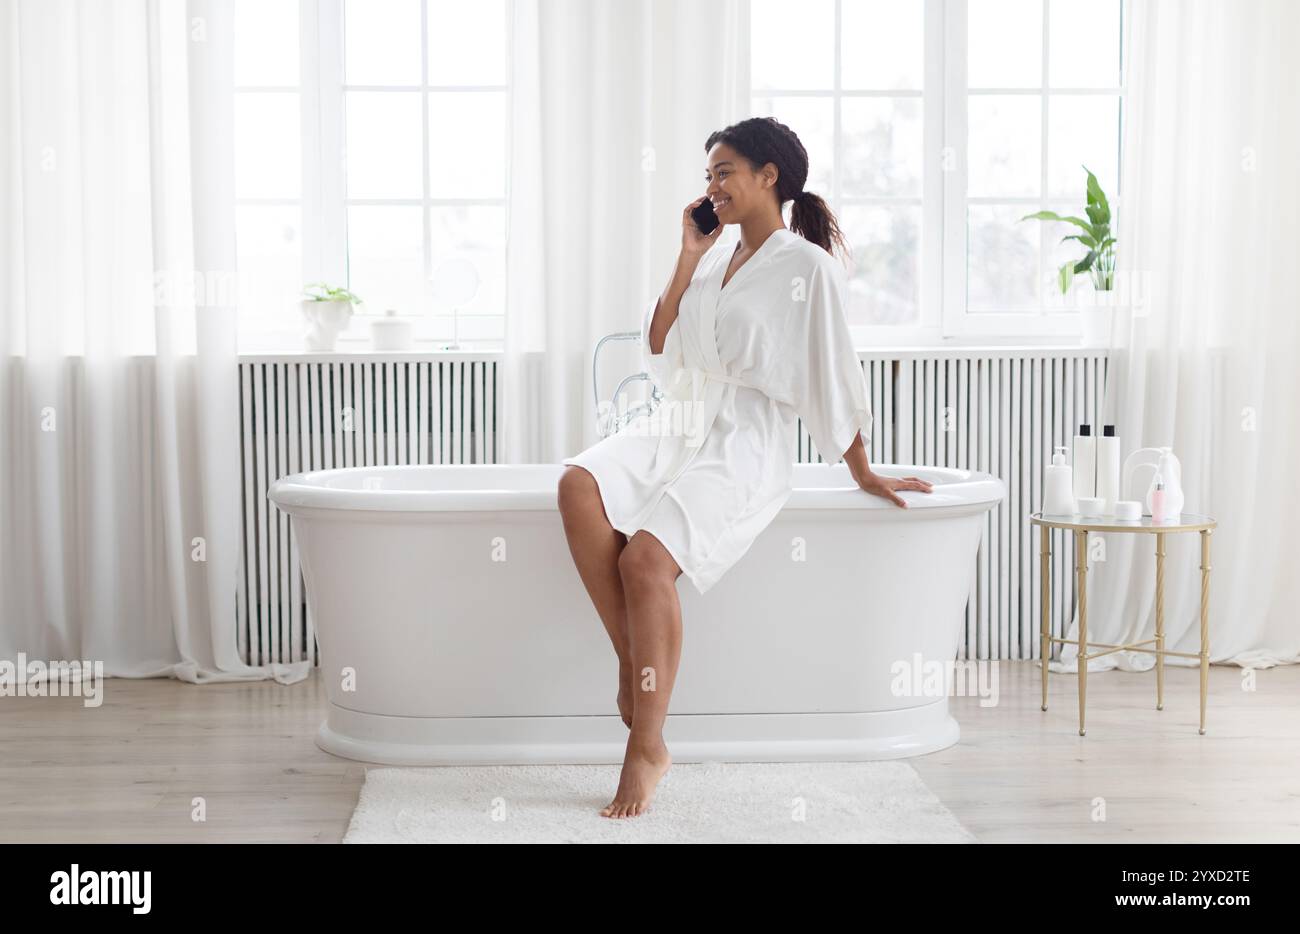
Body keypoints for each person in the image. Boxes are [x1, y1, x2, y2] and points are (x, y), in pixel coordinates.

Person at [557, 116, 933, 819]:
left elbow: (833, 372)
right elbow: (659, 339)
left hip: (744, 437)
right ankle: (634, 662)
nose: (712, 187)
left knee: (643, 562)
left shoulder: (806, 268)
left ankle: (648, 741)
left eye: (724, 171)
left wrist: (861, 469)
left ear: (770, 177)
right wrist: (685, 251)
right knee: (578, 484)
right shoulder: (706, 251)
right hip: (679, 417)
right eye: (707, 177)